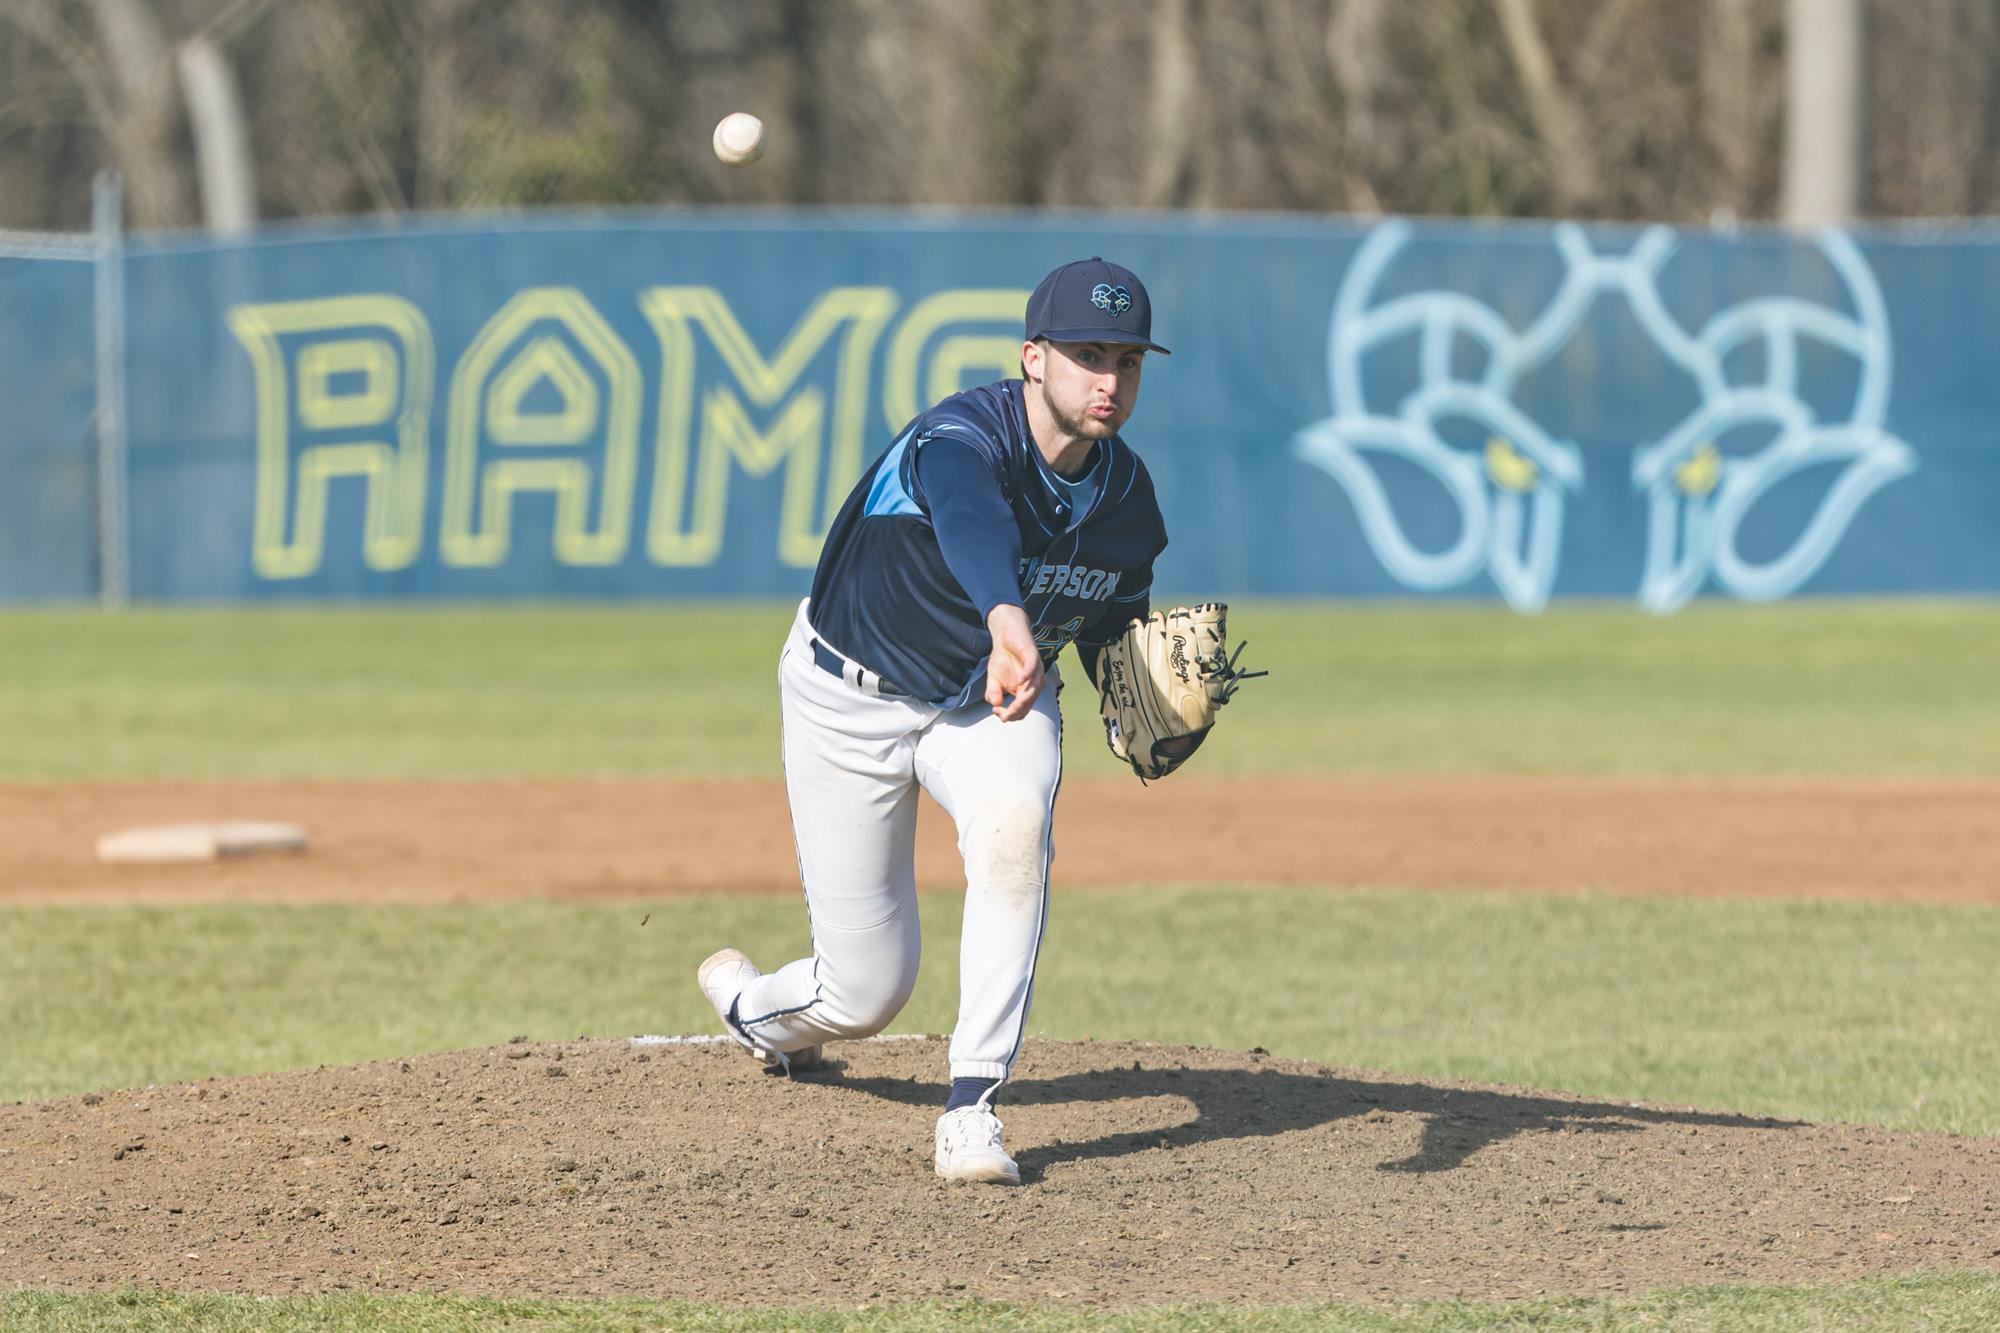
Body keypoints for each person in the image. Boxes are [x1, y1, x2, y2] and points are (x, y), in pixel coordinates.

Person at [696, 257, 1171, 1184]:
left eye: (1126, 358)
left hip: (988, 705)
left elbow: (1115, 628)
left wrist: (1144, 704)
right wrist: (1005, 616)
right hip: (848, 695)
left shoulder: (1127, 501)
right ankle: (755, 1011)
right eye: (1084, 353)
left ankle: (972, 1106)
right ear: (1033, 357)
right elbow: (967, 517)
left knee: (1014, 831)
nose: (1107, 379)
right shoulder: (960, 436)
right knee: (866, 990)